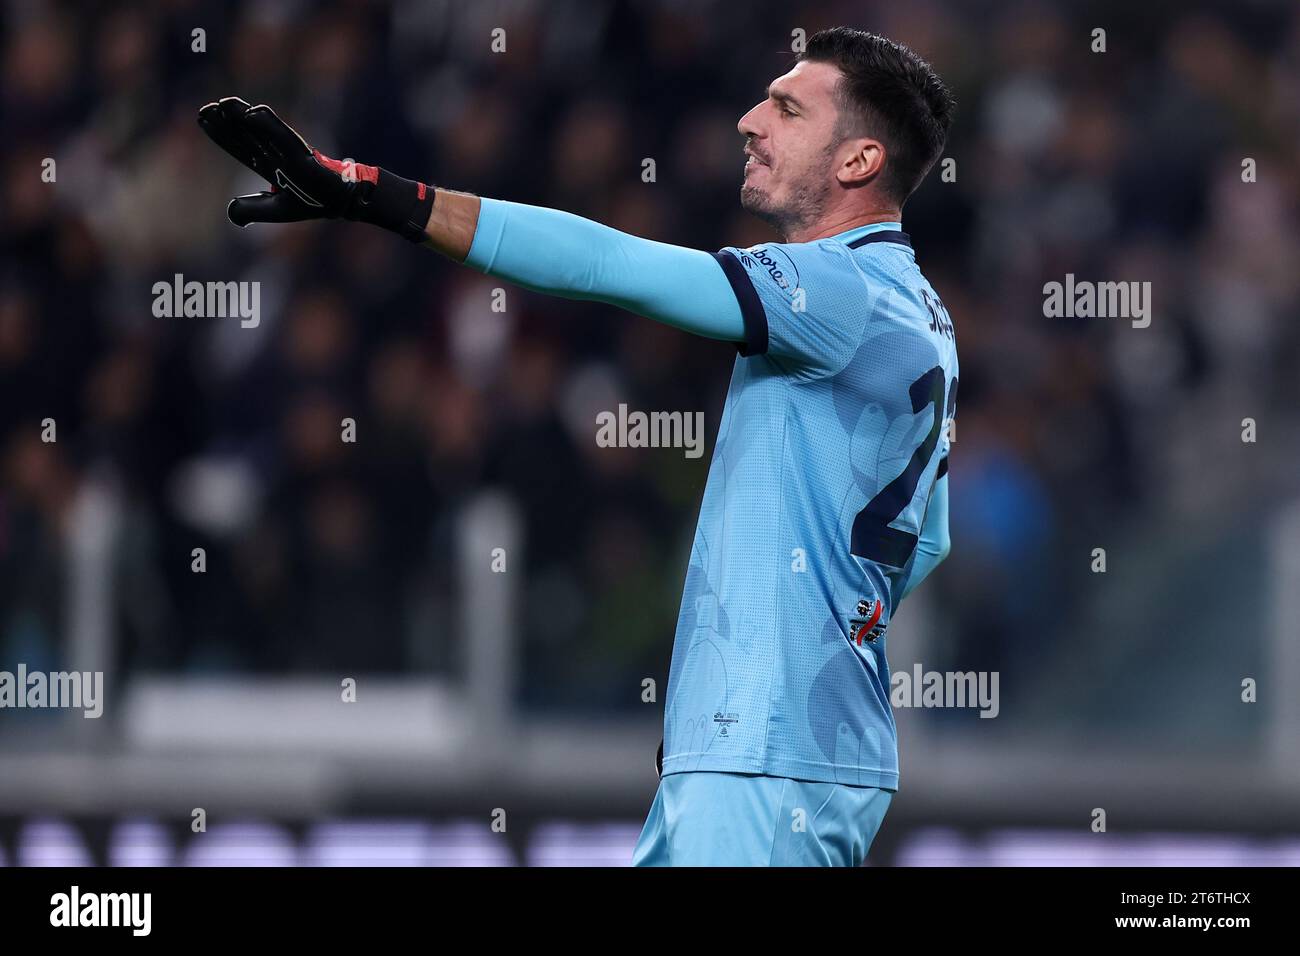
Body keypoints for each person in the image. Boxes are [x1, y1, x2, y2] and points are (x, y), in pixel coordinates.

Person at [198, 26, 958, 867]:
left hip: (760, 751)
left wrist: (375, 194)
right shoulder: (924, 316)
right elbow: (926, 538)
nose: (750, 119)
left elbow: (604, 264)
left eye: (786, 107)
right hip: (792, 748)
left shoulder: (829, 288)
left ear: (857, 162)